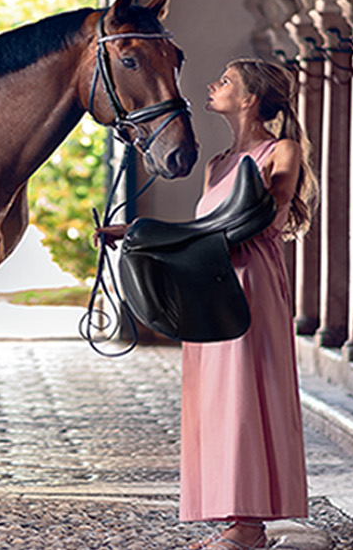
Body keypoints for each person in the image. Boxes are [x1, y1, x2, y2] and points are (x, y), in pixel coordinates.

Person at [98, 58, 317, 549]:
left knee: (247, 398)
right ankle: (233, 519)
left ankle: (250, 527)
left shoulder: (283, 151)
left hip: (252, 284)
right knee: (217, 401)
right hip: (210, 284)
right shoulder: (218, 164)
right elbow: (203, 232)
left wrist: (152, 232)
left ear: (250, 99)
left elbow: (258, 216)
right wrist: (139, 234)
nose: (212, 85)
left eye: (226, 81)